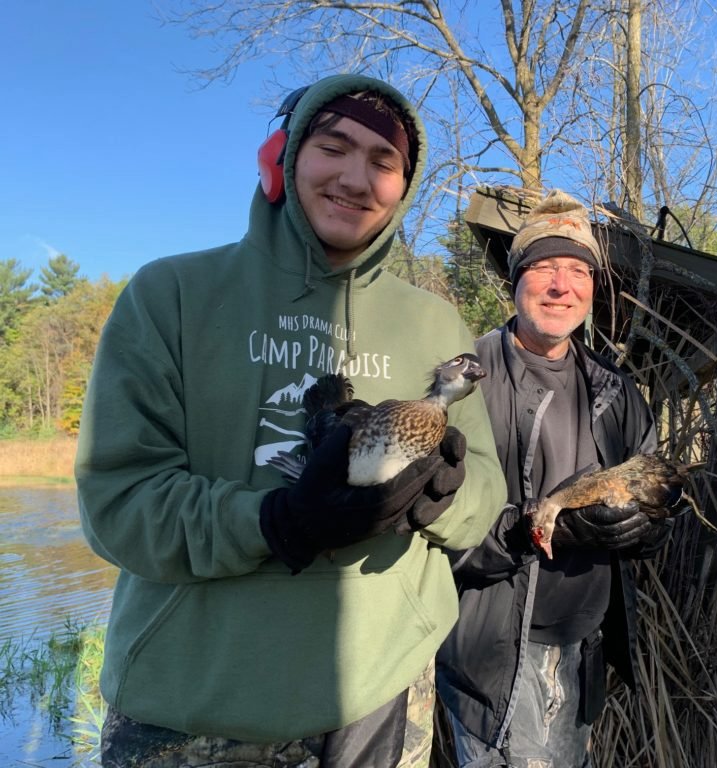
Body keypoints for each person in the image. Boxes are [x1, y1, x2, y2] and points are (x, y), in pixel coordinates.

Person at [75, 74, 505, 768]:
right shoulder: (173, 295)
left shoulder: (434, 322)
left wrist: (445, 498)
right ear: (283, 156)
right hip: (196, 704)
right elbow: (118, 503)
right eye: (334, 147)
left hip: (382, 694)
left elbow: (486, 490)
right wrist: (276, 522)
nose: (357, 178)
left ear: (404, 186)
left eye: (383, 162)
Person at [435, 189, 675, 767]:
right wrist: (538, 531)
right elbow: (433, 524)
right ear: (515, 282)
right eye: (544, 268)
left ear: (593, 287)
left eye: (577, 270)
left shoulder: (614, 388)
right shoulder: (466, 380)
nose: (561, 285)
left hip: (582, 644)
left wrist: (642, 530)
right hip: (495, 654)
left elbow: (658, 486)